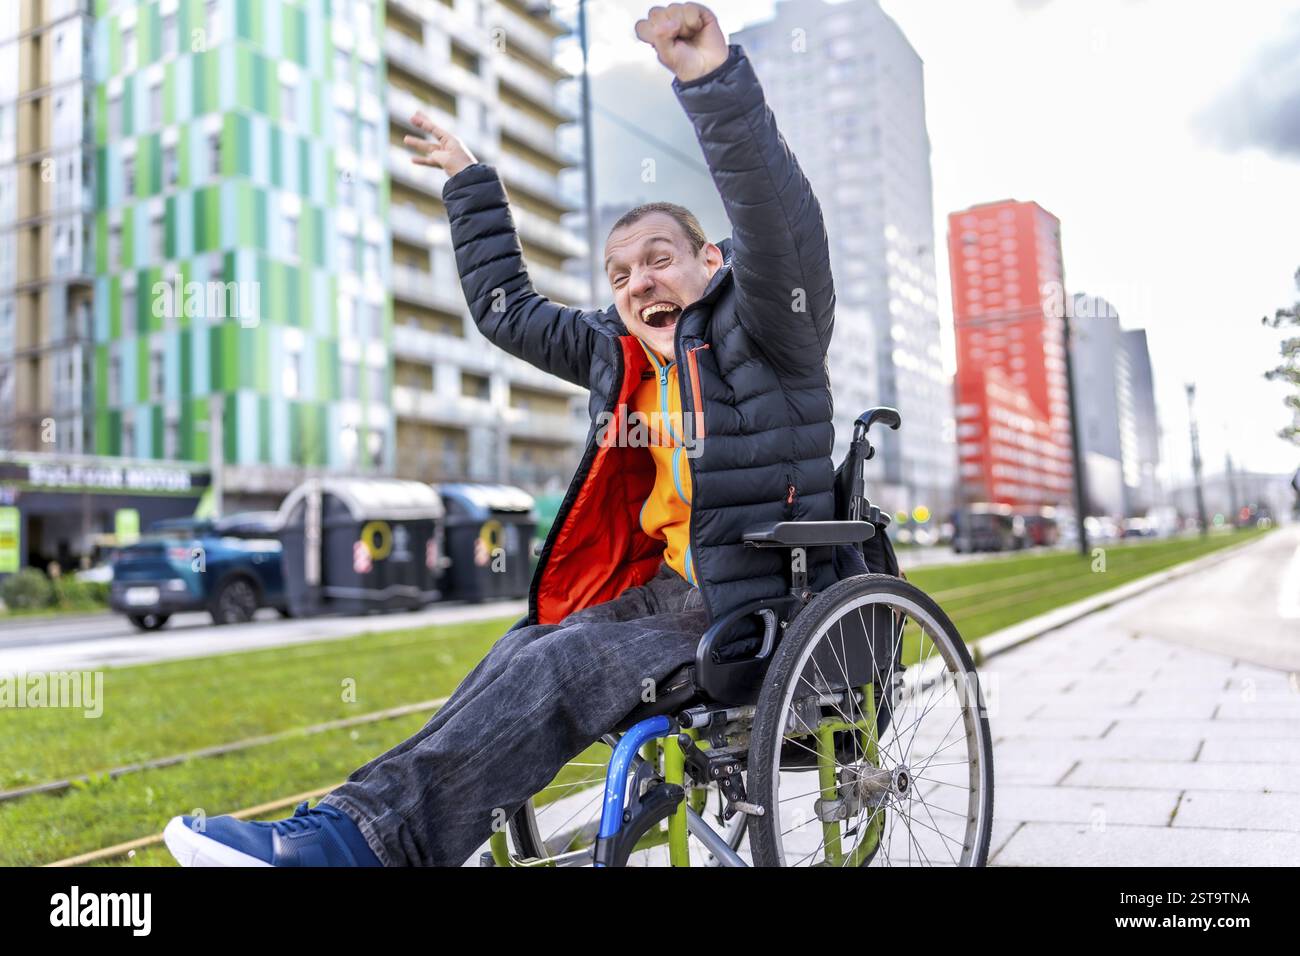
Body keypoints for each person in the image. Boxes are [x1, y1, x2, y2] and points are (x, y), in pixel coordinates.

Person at [162, 2, 843, 867]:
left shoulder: (770, 327)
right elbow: (510, 313)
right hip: (678, 591)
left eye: (661, 258)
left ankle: (354, 848)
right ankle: (342, 828)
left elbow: (778, 221)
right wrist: (470, 185)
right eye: (621, 273)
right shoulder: (624, 354)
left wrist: (709, 79)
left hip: (760, 601)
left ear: (712, 263)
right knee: (520, 649)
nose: (639, 282)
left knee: (556, 668)